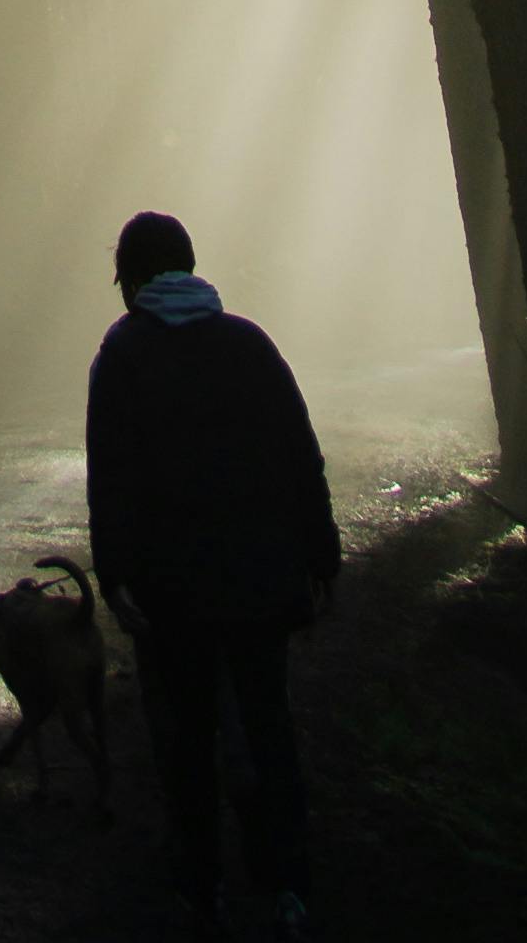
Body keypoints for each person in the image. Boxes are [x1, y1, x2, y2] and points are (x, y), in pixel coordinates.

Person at [84, 204, 337, 932]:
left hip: (173, 594)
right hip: (262, 578)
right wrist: (321, 557)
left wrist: (115, 575)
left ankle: (201, 887)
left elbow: (113, 477)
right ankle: (288, 884)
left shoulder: (123, 354)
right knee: (268, 728)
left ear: (131, 281)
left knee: (186, 743)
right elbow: (300, 456)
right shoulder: (250, 346)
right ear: (191, 267)